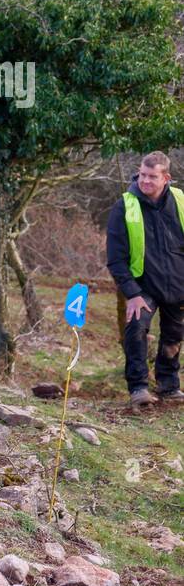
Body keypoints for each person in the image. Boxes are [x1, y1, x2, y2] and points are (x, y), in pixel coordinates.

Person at [106, 150, 184, 405]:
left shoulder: (180, 200)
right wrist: (132, 293)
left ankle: (169, 386)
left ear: (166, 177)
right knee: (136, 330)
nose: (145, 181)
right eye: (142, 175)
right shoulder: (125, 205)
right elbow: (115, 259)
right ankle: (138, 388)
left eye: (152, 176)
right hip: (142, 287)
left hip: (178, 283)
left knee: (174, 336)